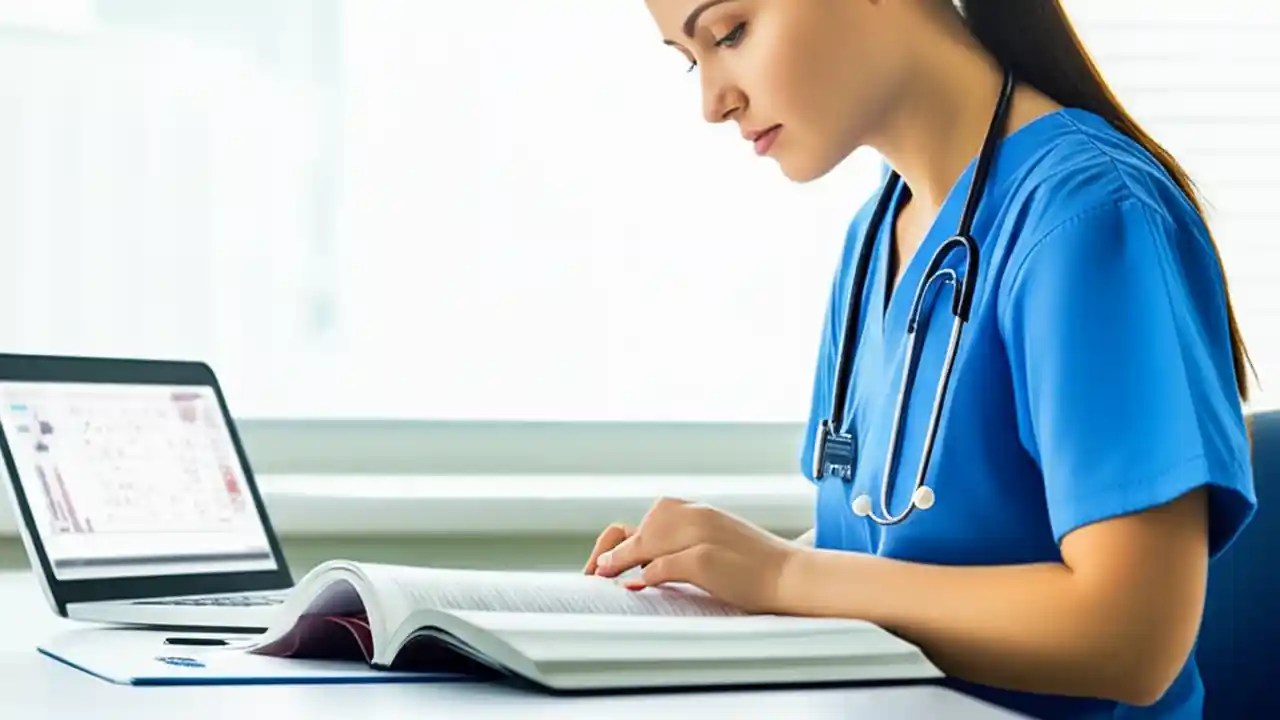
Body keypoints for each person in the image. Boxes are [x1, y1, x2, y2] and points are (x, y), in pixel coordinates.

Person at [580, 1, 1259, 718]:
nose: (714, 102)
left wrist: (782, 573)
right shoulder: (879, 235)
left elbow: (1132, 636)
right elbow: (894, 543)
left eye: (730, 34)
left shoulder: (1090, 214)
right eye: (692, 59)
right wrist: (711, 575)